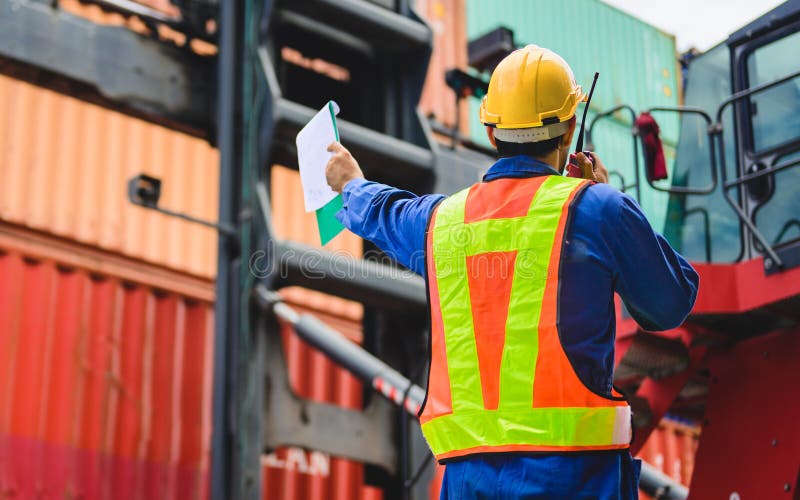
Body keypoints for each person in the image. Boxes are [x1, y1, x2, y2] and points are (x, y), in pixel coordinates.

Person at [325, 45, 698, 499]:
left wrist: (350, 184)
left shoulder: (442, 221)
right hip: (576, 484)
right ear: (570, 131)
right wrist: (610, 204)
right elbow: (670, 304)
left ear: (489, 129)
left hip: (468, 485)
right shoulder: (597, 210)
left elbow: (385, 212)